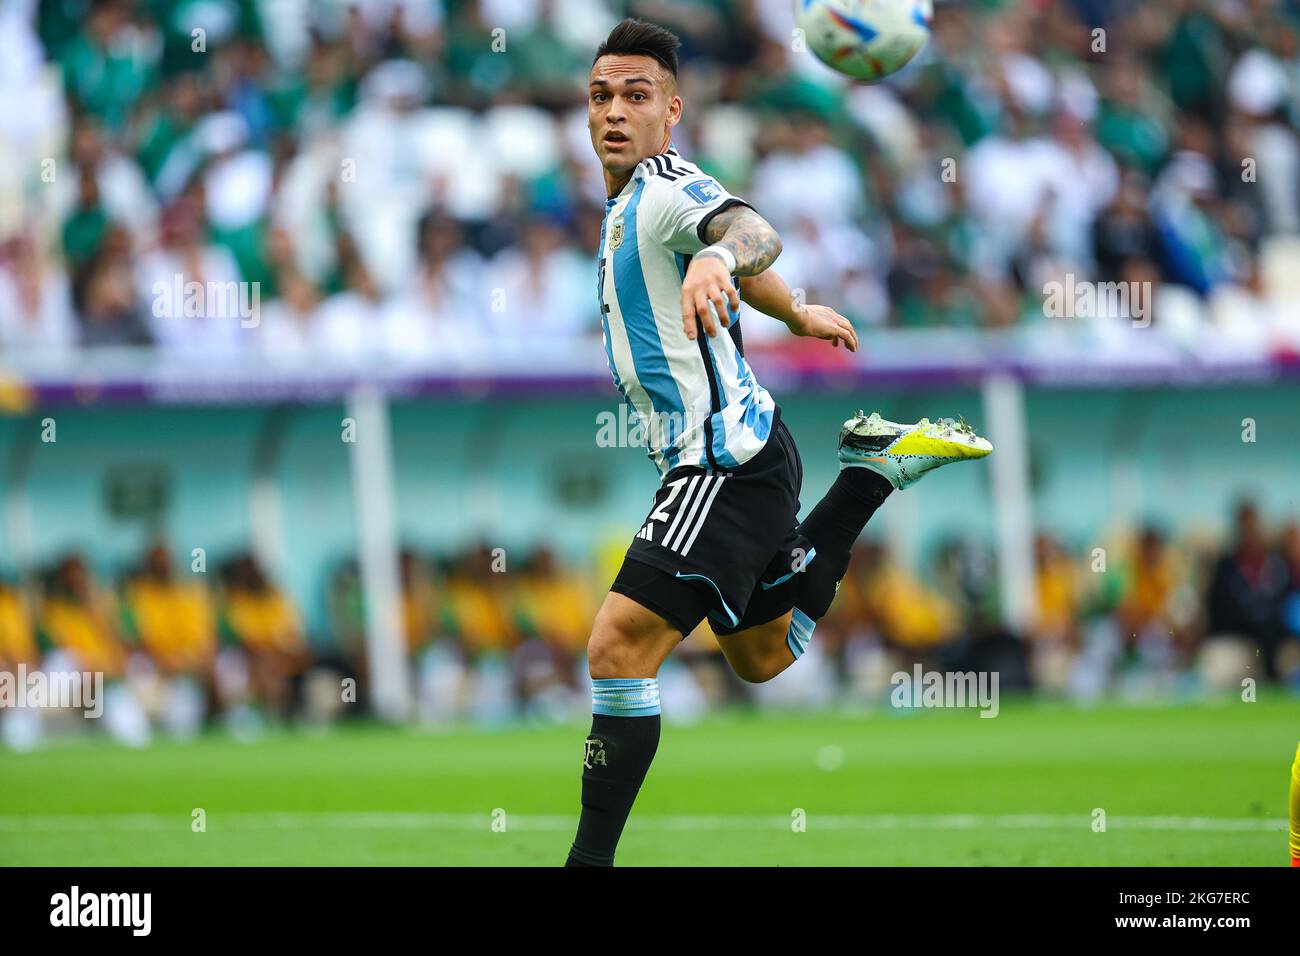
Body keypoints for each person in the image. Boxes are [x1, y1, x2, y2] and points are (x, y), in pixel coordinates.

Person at [565, 19, 993, 867]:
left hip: (718, 460)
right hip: (745, 455)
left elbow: (746, 229)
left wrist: (719, 263)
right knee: (766, 654)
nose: (615, 111)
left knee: (617, 645)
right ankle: (868, 477)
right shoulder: (625, 209)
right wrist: (792, 308)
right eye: (602, 95)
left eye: (636, 95)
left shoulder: (661, 184)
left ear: (672, 112)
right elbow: (743, 255)